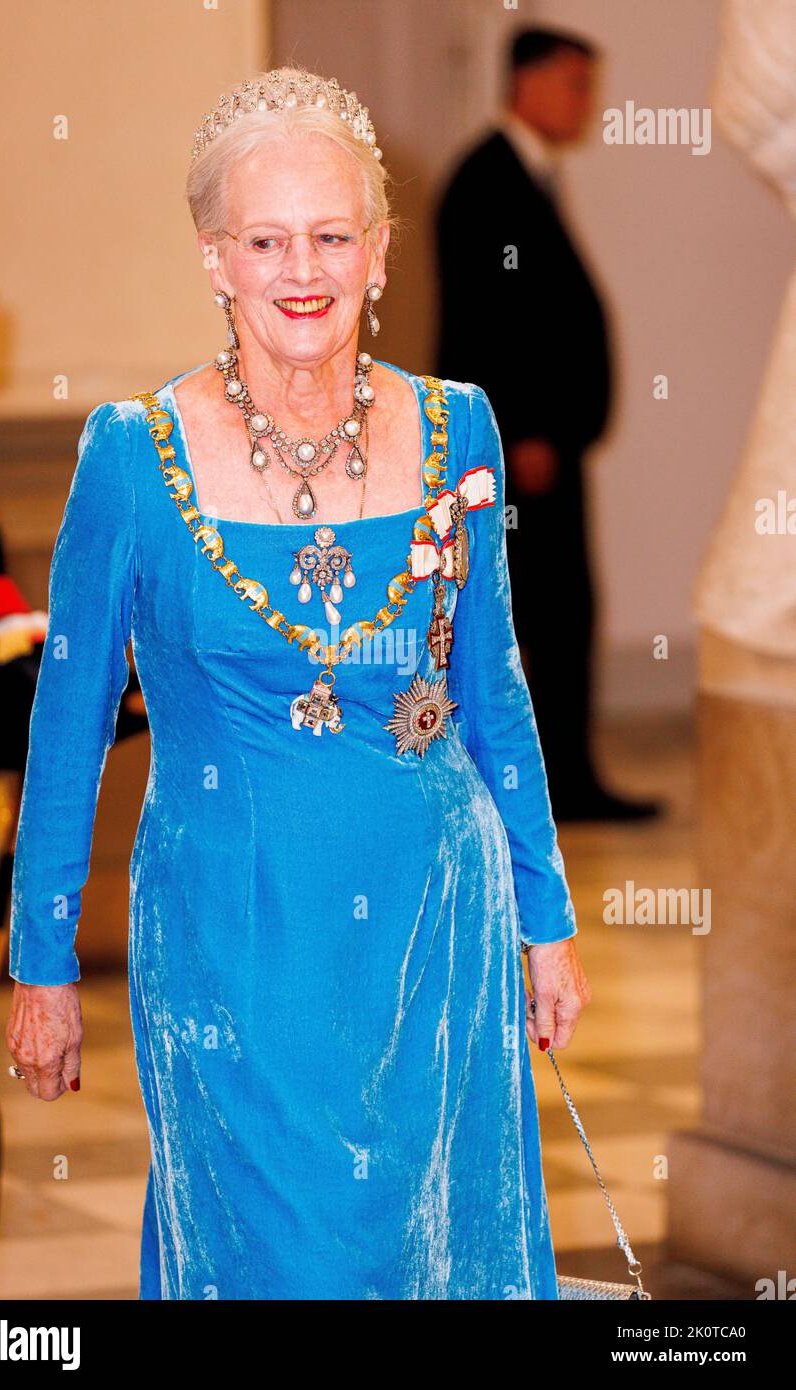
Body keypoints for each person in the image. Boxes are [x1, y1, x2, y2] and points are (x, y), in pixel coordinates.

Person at [6, 65, 591, 1301]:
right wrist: (43, 962)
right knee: (271, 1259)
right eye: (265, 240)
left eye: (331, 235)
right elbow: (63, 726)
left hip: (439, 925)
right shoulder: (132, 455)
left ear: (378, 250)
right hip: (236, 938)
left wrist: (547, 922)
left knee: (431, 1258)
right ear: (215, 258)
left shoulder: (460, 431)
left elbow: (493, 689)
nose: (302, 268)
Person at [436, 28, 659, 821]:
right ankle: (542, 786)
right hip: (520, 450)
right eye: (572, 84)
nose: (585, 103)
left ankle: (567, 777)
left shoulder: (527, 176)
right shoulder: (486, 181)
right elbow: (487, 324)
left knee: (563, 612)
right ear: (526, 82)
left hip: (545, 446)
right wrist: (521, 431)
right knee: (538, 614)